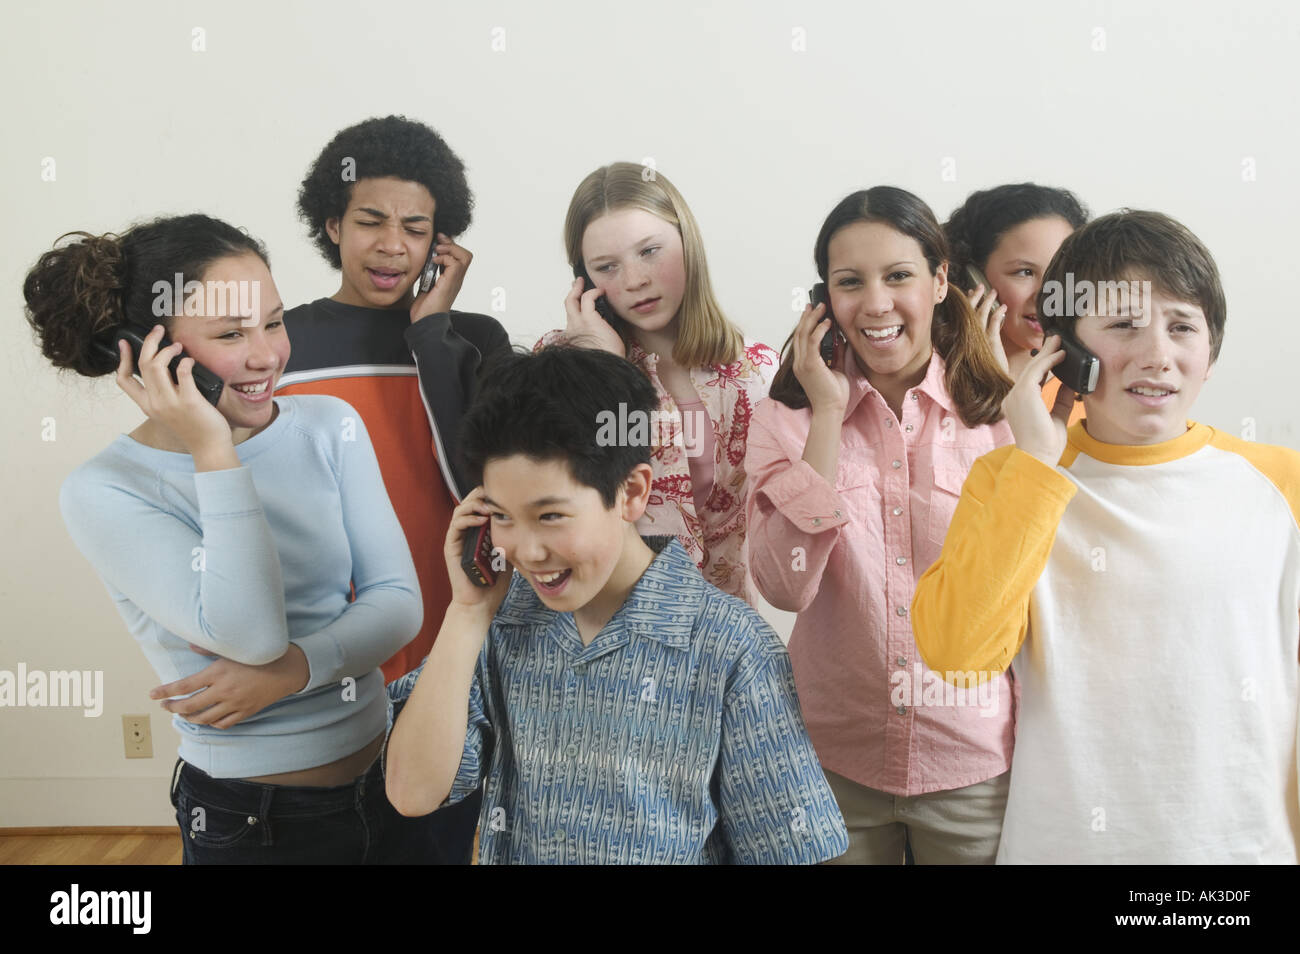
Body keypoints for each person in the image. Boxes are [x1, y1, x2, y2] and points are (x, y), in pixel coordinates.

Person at [27, 214, 423, 863]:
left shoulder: (329, 425)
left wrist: (293, 671)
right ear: (149, 353)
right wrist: (213, 450)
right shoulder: (105, 490)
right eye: (231, 333)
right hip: (254, 821)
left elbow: (399, 602)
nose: (267, 354)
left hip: (392, 782)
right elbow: (252, 634)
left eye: (273, 320)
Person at [912, 210, 1300, 863]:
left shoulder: (1278, 482)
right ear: (1066, 352)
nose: (1158, 354)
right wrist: (1035, 467)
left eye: (1183, 326)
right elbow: (958, 654)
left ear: (1211, 352)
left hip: (1238, 856)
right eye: (1123, 325)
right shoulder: (1011, 480)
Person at [385, 345, 848, 864]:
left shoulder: (731, 648)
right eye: (502, 517)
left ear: (631, 493)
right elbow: (412, 793)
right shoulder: (500, 623)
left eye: (551, 516)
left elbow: (791, 850)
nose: (527, 551)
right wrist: (467, 613)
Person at [746, 186, 1016, 864]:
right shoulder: (789, 418)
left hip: (972, 762)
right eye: (849, 282)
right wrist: (828, 419)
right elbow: (785, 587)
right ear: (823, 300)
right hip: (834, 761)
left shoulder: (1001, 415)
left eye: (898, 275)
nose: (875, 304)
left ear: (940, 280)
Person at [279, 116, 504, 861]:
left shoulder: (471, 337)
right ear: (332, 223)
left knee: (431, 842)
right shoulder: (283, 341)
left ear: (442, 244)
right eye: (371, 221)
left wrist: (430, 330)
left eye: (416, 228)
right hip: (323, 649)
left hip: (450, 645)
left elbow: (484, 475)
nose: (391, 245)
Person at [536, 162, 778, 603]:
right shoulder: (557, 365)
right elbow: (560, 507)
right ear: (583, 280)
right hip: (598, 632)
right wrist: (604, 374)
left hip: (719, 638)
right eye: (607, 267)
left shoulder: (757, 371)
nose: (635, 280)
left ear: (688, 243)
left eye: (649, 251)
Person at [944, 183, 1089, 422]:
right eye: (1024, 272)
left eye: (1064, 272)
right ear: (973, 276)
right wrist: (997, 387)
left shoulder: (1095, 388)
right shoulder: (935, 382)